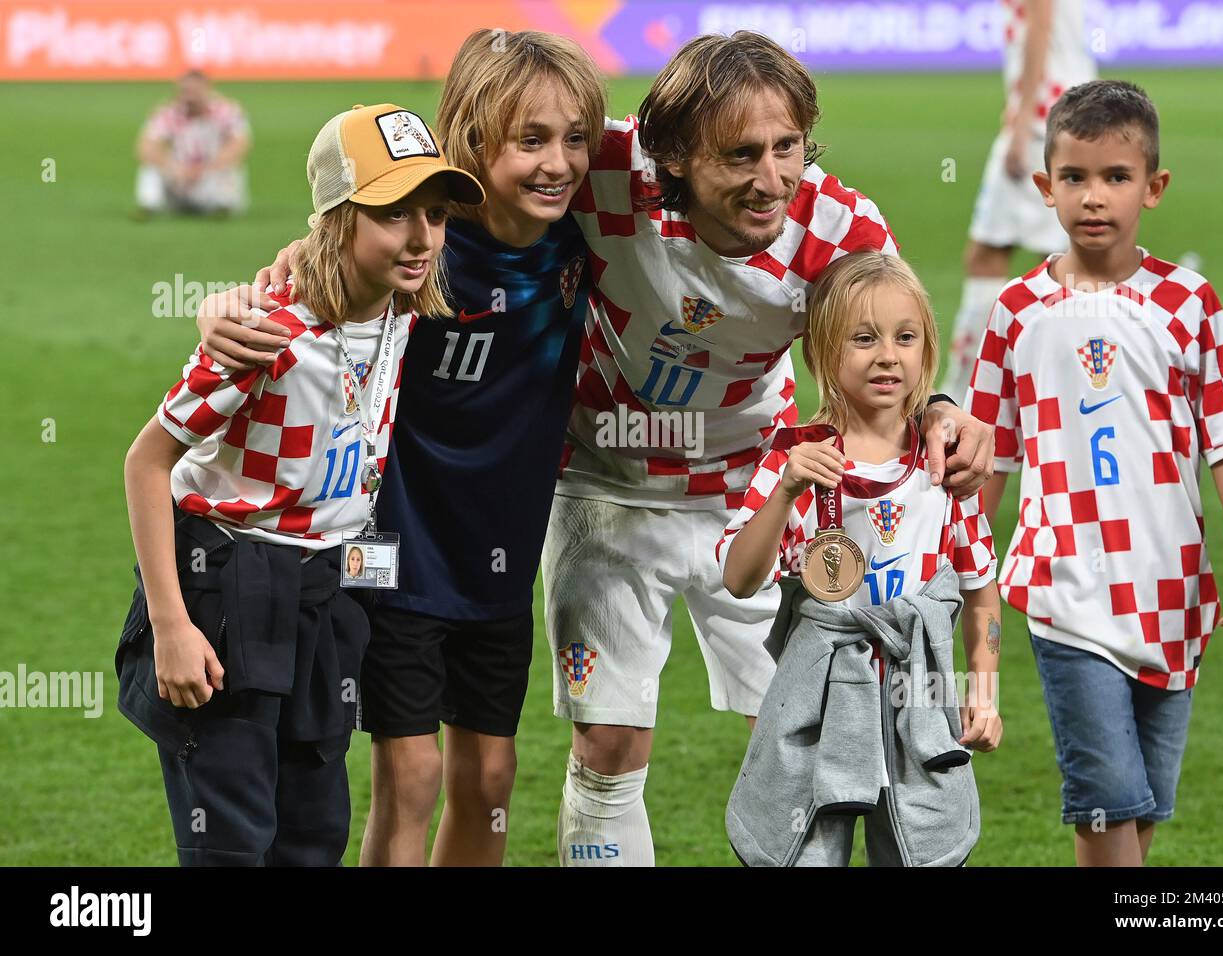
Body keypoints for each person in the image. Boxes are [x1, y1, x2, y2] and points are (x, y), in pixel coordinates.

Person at [193, 30, 995, 868]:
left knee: (813, 734)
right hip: (604, 486)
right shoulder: (601, 165)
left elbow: (891, 340)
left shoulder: (836, 228)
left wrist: (942, 408)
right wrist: (259, 290)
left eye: (786, 147)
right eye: (740, 155)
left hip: (760, 490)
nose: (770, 180)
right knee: (604, 747)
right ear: (672, 153)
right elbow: (393, 215)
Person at [193, 30, 606, 867]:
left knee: (490, 776)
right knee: (410, 773)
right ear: (472, 141)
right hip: (390, 552)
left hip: (501, 554)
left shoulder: (584, 241)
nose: (557, 163)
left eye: (573, 140)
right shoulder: (423, 252)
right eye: (529, 141)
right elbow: (312, 274)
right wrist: (232, 302)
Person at [117, 102, 484, 865]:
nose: (422, 237)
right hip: (226, 590)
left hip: (327, 589)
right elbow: (147, 462)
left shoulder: (404, 314)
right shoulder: (263, 333)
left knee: (314, 837)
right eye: (393, 213)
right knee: (231, 842)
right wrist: (172, 626)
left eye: (437, 213)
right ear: (339, 218)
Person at [965, 79, 1223, 866]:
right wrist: (957, 565)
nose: (1093, 197)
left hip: (1172, 592)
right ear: (1044, 188)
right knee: (1106, 813)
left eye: (1116, 177)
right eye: (1074, 178)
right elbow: (991, 450)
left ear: (1153, 188)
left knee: (1140, 812)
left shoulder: (1189, 302)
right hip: (1064, 593)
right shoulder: (1017, 312)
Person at [718, 252, 1003, 862]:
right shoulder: (795, 456)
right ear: (822, 352)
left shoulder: (944, 465)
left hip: (917, 691)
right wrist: (787, 491)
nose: (886, 356)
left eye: (905, 338)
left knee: (920, 849)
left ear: (928, 350)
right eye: (863, 338)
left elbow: (980, 589)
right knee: (804, 848)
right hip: (821, 691)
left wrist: (983, 690)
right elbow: (739, 579)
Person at [941, 0, 1096, 400]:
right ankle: (1073, 388)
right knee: (1066, 264)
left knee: (989, 257)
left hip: (1044, 118)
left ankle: (966, 394)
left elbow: (1039, 28)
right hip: (1073, 107)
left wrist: (1023, 116)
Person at [134, 70, 252, 219]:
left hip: (210, 179)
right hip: (179, 178)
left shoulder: (226, 112)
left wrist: (206, 168)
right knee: (150, 168)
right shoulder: (169, 113)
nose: (190, 97)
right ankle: (148, 206)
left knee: (231, 168)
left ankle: (223, 207)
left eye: (194, 91)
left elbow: (240, 145)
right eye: (185, 91)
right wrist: (174, 167)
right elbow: (146, 147)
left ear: (207, 89)